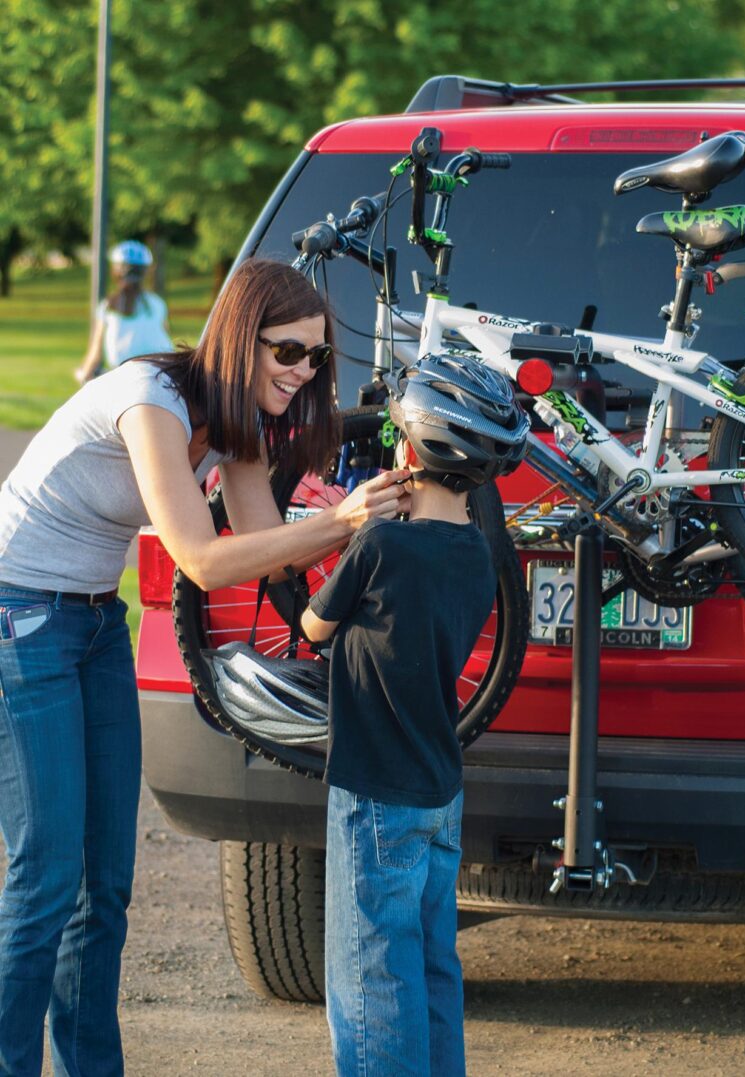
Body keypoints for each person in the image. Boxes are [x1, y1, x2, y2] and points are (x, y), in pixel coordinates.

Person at [0, 257, 411, 1076]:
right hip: (19, 618)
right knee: (46, 874)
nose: (302, 372)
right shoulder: (149, 401)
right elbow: (201, 559)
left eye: (317, 358)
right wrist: (341, 526)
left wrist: (356, 560)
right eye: (286, 352)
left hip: (88, 623)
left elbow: (265, 556)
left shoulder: (238, 427)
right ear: (239, 337)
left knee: (104, 885)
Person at [300, 354, 529, 1076]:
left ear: (407, 452)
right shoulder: (479, 552)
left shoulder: (379, 542)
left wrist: (346, 525)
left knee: (371, 977)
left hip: (374, 791)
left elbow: (312, 627)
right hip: (438, 790)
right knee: (433, 966)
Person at [74, 240, 174, 384]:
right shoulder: (157, 304)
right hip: (164, 370)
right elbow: (165, 336)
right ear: (145, 271)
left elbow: (95, 353)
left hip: (125, 373)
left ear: (116, 270)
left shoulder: (108, 307)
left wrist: (84, 374)